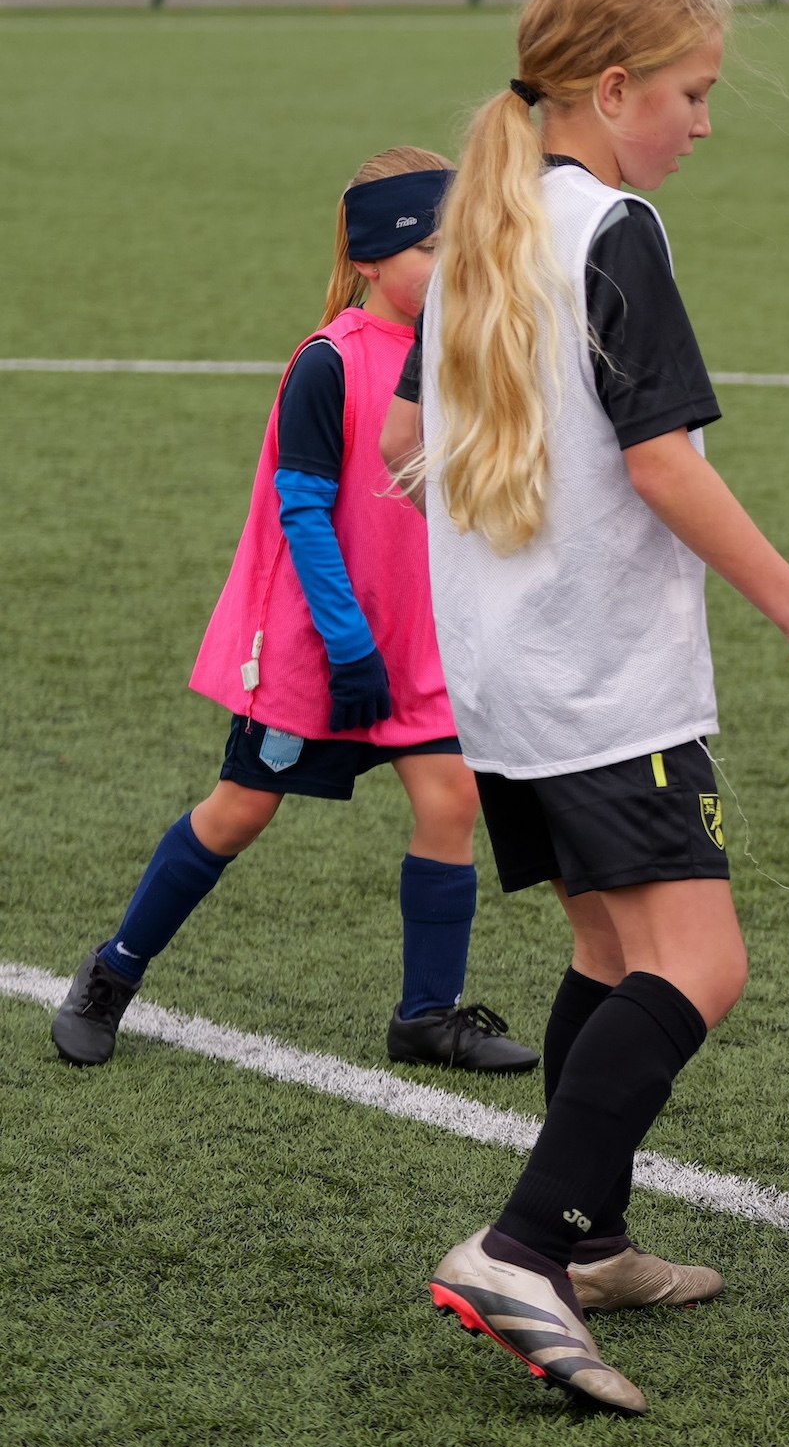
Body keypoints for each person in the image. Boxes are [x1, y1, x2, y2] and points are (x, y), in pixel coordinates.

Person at [382, 0, 789, 1415]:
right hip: (604, 681)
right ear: (611, 91)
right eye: (693, 91)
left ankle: (595, 1241)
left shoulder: (479, 225)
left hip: (506, 678)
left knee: (612, 955)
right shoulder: (611, 229)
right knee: (701, 964)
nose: (704, 119)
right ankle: (525, 1246)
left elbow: (407, 453)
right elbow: (664, 463)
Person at [50, 149, 536, 1076]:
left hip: (419, 644)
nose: (454, 267)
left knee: (450, 798)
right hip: (322, 645)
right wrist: (349, 643)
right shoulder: (329, 363)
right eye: (434, 249)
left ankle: (426, 1017)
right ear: (370, 260)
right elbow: (302, 509)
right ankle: (113, 972)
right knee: (239, 811)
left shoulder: (459, 353)